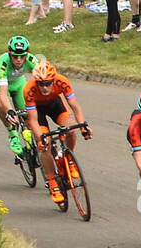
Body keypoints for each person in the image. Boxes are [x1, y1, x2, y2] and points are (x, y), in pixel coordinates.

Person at [23, 58, 91, 206]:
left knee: (71, 130)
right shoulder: (29, 89)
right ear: (36, 82)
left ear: (53, 80)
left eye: (48, 83)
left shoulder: (62, 81)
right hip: (37, 111)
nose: (44, 87)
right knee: (45, 145)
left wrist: (83, 126)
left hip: (55, 105)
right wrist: (40, 138)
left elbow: (75, 106)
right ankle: (52, 181)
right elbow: (33, 120)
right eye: (41, 84)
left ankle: (69, 158)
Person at [0, 35, 37, 152]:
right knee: (4, 107)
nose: (19, 60)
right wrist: (9, 110)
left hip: (18, 83)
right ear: (10, 54)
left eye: (22, 56)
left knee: (26, 113)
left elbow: (42, 81)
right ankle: (13, 135)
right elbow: (2, 94)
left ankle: (27, 134)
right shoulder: (2, 63)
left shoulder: (31, 60)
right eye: (15, 56)